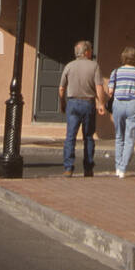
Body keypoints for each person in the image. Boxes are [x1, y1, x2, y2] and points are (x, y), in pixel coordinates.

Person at [58, 40, 106, 178]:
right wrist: (101, 104)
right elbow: (99, 87)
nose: (91, 52)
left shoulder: (69, 66)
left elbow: (61, 88)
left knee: (70, 137)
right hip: (88, 103)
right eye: (90, 50)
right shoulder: (94, 66)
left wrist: (62, 103)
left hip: (72, 103)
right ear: (86, 52)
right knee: (88, 137)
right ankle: (88, 168)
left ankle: (68, 167)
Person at [107, 47, 135, 178]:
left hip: (118, 103)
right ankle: (123, 168)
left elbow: (110, 91)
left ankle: (118, 167)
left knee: (119, 136)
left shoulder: (115, 72)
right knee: (130, 137)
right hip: (133, 104)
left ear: (123, 57)